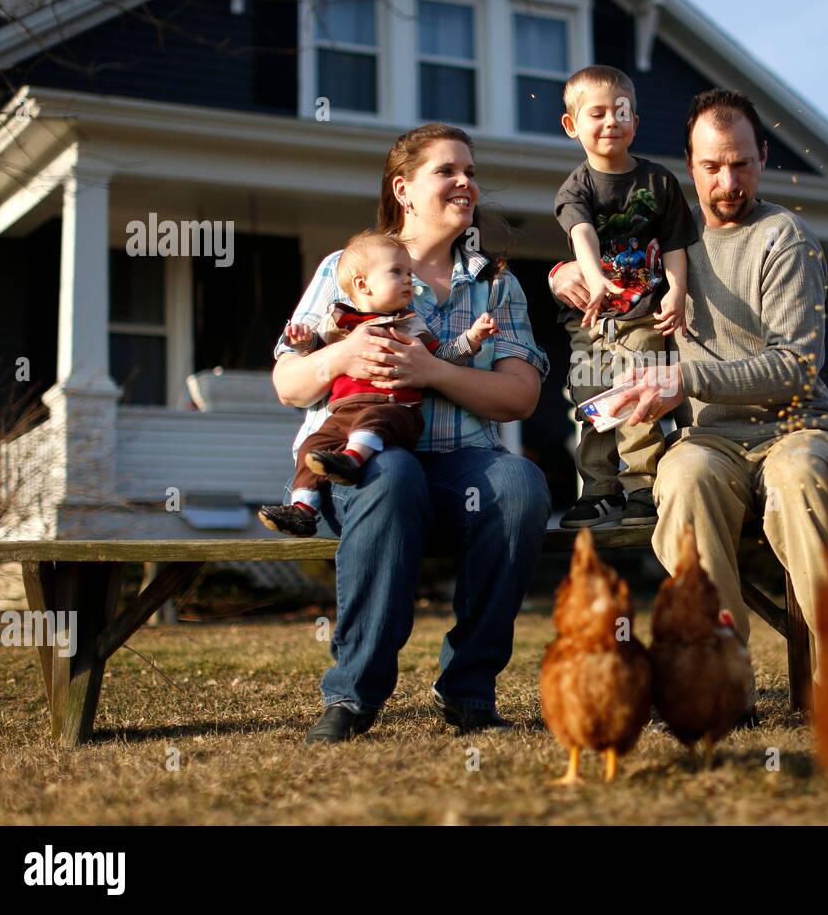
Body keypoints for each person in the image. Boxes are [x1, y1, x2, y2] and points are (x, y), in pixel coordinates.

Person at [551, 89, 828, 652]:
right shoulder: (663, 239)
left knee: (798, 479)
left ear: (763, 158)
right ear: (690, 166)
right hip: (710, 440)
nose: (728, 183)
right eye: (712, 167)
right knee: (684, 477)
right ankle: (720, 679)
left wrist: (686, 380)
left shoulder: (782, 238)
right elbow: (602, 267)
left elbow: (794, 367)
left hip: (799, 431)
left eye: (741, 164)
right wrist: (563, 273)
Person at [272, 123, 552, 743]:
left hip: (461, 469)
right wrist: (338, 359)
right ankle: (353, 696)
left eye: (472, 172)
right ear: (403, 189)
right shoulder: (348, 269)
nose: (466, 183)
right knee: (392, 473)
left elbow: (520, 395)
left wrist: (433, 370)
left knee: (520, 485)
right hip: (360, 458)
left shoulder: (496, 283)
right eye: (448, 171)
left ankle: (469, 691)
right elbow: (288, 383)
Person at [259, 230, 498, 537]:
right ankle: (303, 509)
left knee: (373, 420)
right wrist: (305, 342)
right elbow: (315, 357)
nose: (409, 280)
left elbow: (444, 355)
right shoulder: (338, 322)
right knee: (313, 444)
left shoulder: (410, 324)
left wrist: (473, 339)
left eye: (409, 273)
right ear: (362, 284)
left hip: (396, 409)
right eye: (397, 273)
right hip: (343, 413)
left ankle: (353, 460)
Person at [550, 65, 698, 529]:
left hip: (643, 316)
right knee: (592, 400)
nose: (611, 121)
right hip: (592, 320)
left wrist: (676, 291)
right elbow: (582, 234)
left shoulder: (658, 182)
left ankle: (641, 487)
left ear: (636, 120)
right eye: (597, 113)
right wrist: (594, 279)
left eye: (621, 111)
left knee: (637, 396)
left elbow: (675, 243)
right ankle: (598, 490)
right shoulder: (577, 187)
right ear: (572, 125)